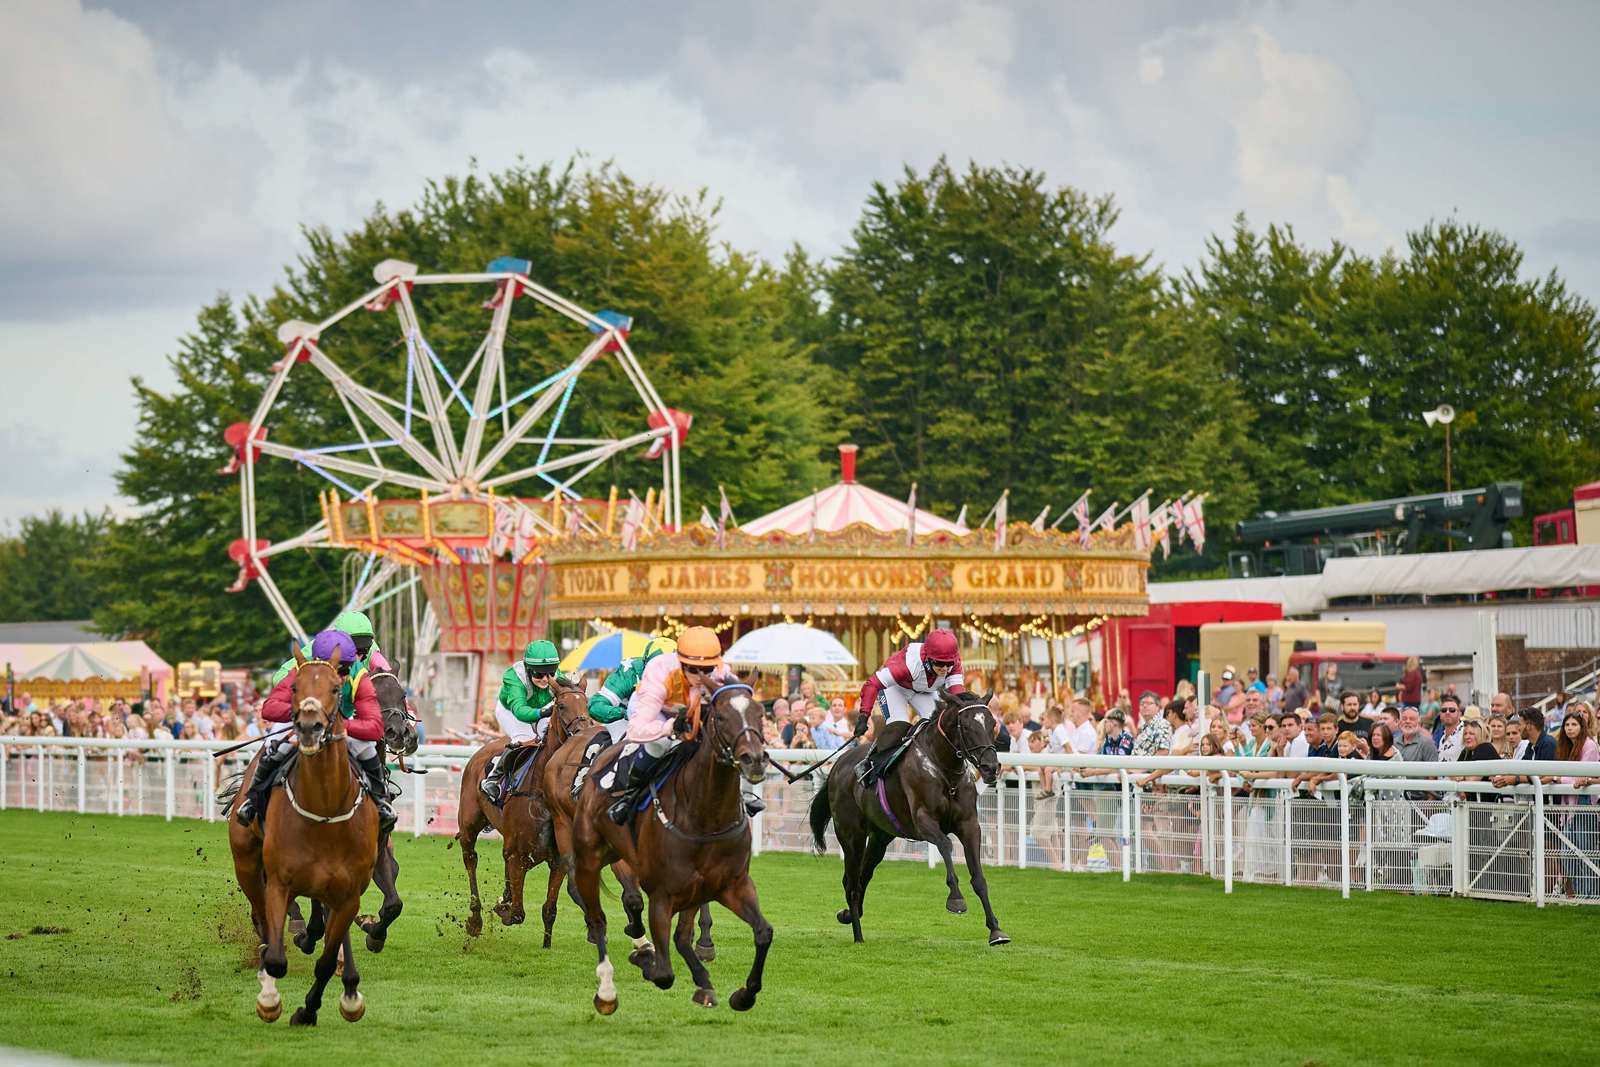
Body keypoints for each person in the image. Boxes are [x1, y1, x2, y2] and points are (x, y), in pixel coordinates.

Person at [236, 630, 393, 831]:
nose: (340, 676)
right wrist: (302, 714)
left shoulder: (359, 676)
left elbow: (375, 727)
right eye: (336, 668)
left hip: (339, 722)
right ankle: (252, 800)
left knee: (367, 748)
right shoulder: (300, 670)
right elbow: (270, 708)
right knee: (275, 747)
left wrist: (338, 726)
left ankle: (381, 803)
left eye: (345, 669)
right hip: (301, 719)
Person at [602, 626, 759, 823]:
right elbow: (636, 729)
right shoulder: (660, 671)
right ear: (681, 663)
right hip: (657, 710)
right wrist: (668, 728)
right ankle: (628, 797)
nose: (701, 676)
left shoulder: (721, 672)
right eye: (693, 669)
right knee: (660, 744)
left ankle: (741, 794)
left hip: (692, 710)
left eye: (707, 670)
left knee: (722, 741)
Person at [854, 629, 966, 786]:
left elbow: (958, 700)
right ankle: (868, 764)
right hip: (896, 689)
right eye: (940, 663)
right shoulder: (908, 665)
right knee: (899, 727)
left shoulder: (954, 664)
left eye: (949, 664)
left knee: (939, 726)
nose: (945, 668)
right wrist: (864, 716)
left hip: (924, 692)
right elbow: (872, 684)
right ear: (928, 659)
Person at [479, 640, 566, 805]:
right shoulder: (514, 678)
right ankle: (494, 779)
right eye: (539, 674)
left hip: (541, 708)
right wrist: (542, 713)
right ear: (528, 668)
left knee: (553, 737)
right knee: (525, 737)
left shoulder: (557, 676)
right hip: (511, 711)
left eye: (550, 673)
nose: (545, 679)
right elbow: (520, 711)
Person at [1433, 694, 1465, 761]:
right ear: (1440, 715)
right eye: (1444, 710)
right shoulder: (1442, 737)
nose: (1447, 712)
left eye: (1452, 710)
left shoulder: (1465, 733)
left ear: (1459, 714)